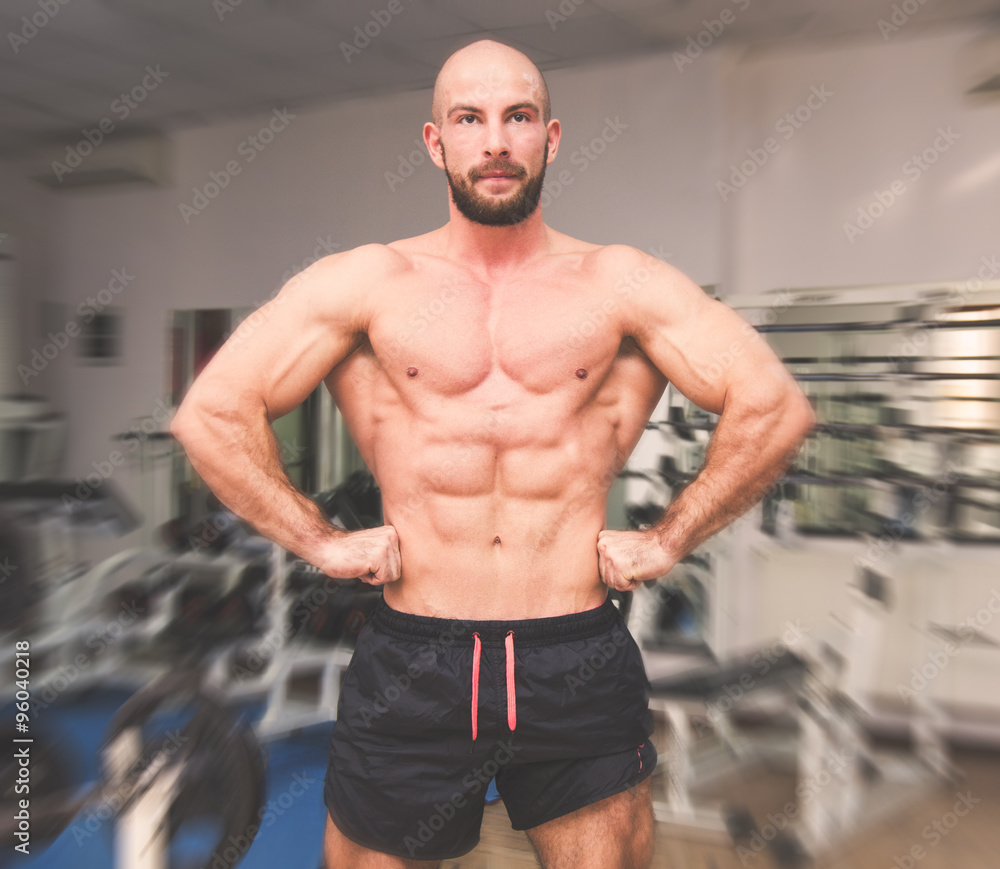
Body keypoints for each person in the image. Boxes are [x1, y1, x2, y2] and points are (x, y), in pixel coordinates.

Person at [171, 38, 814, 869]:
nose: (497, 141)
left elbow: (774, 405)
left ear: (552, 136)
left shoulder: (620, 281)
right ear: (436, 142)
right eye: (469, 119)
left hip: (573, 653)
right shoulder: (367, 282)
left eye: (518, 117)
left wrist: (670, 537)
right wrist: (318, 540)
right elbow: (212, 414)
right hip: (414, 655)